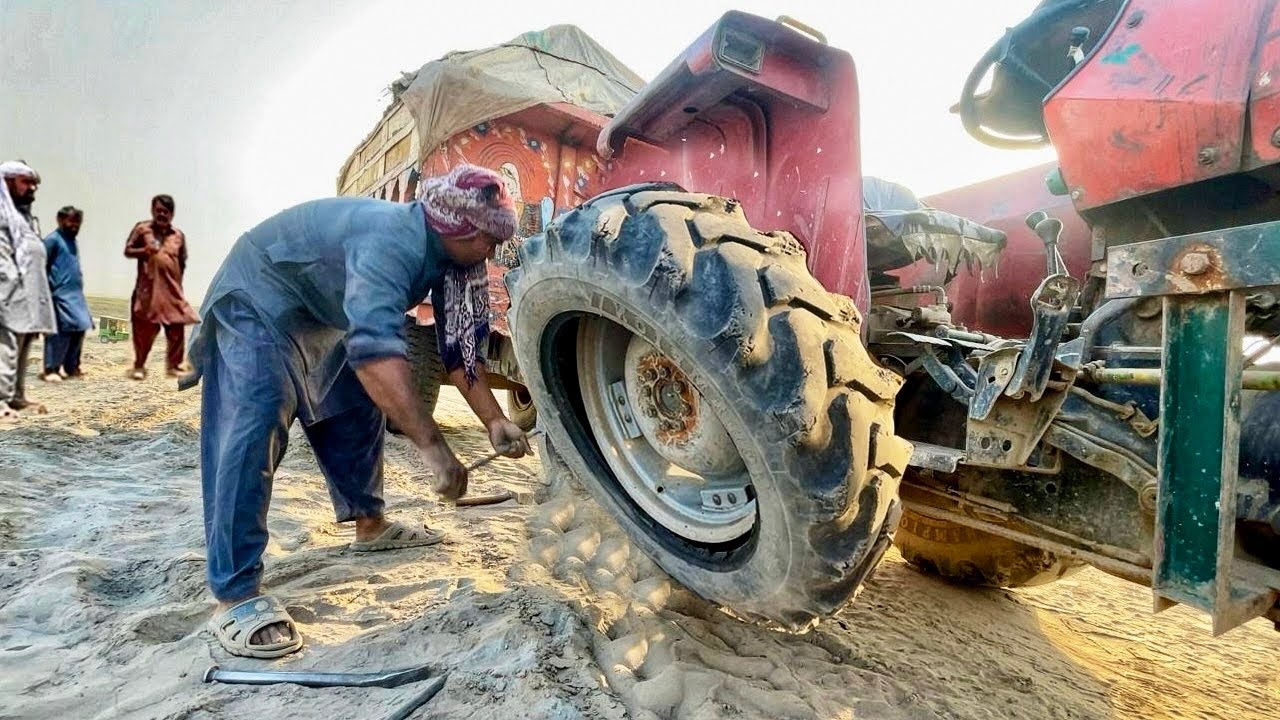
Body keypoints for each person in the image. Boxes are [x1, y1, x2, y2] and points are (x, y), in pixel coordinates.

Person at [182, 164, 530, 659]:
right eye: (490, 241)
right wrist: (435, 451)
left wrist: (495, 420)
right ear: (462, 230)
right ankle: (234, 593)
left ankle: (371, 525)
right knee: (256, 417)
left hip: (321, 309)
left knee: (355, 401)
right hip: (260, 292)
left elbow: (460, 350)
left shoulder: (455, 262)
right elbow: (375, 354)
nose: (493, 253)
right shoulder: (392, 239)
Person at [0, 161, 56, 422]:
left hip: (26, 296)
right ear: (8, 181)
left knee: (21, 347)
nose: (33, 188)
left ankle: (16, 396)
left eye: (35, 183)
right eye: (26, 182)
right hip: (8, 294)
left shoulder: (24, 217)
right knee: (5, 347)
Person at [123, 194, 198, 379]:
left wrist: (177, 283)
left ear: (172, 214)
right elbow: (128, 250)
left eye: (166, 211)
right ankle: (139, 365)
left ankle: (174, 366)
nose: (162, 214)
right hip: (149, 290)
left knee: (176, 328)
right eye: (159, 211)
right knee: (144, 330)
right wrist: (144, 251)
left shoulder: (178, 235)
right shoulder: (142, 229)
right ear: (152, 210)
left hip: (171, 291)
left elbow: (182, 261)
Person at [42, 206, 93, 382]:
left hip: (75, 296)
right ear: (60, 220)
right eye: (71, 221)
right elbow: (40, 267)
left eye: (78, 222)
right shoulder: (52, 240)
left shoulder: (72, 241)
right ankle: (51, 368)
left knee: (80, 328)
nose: (75, 225)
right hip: (58, 295)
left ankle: (72, 367)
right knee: (59, 332)